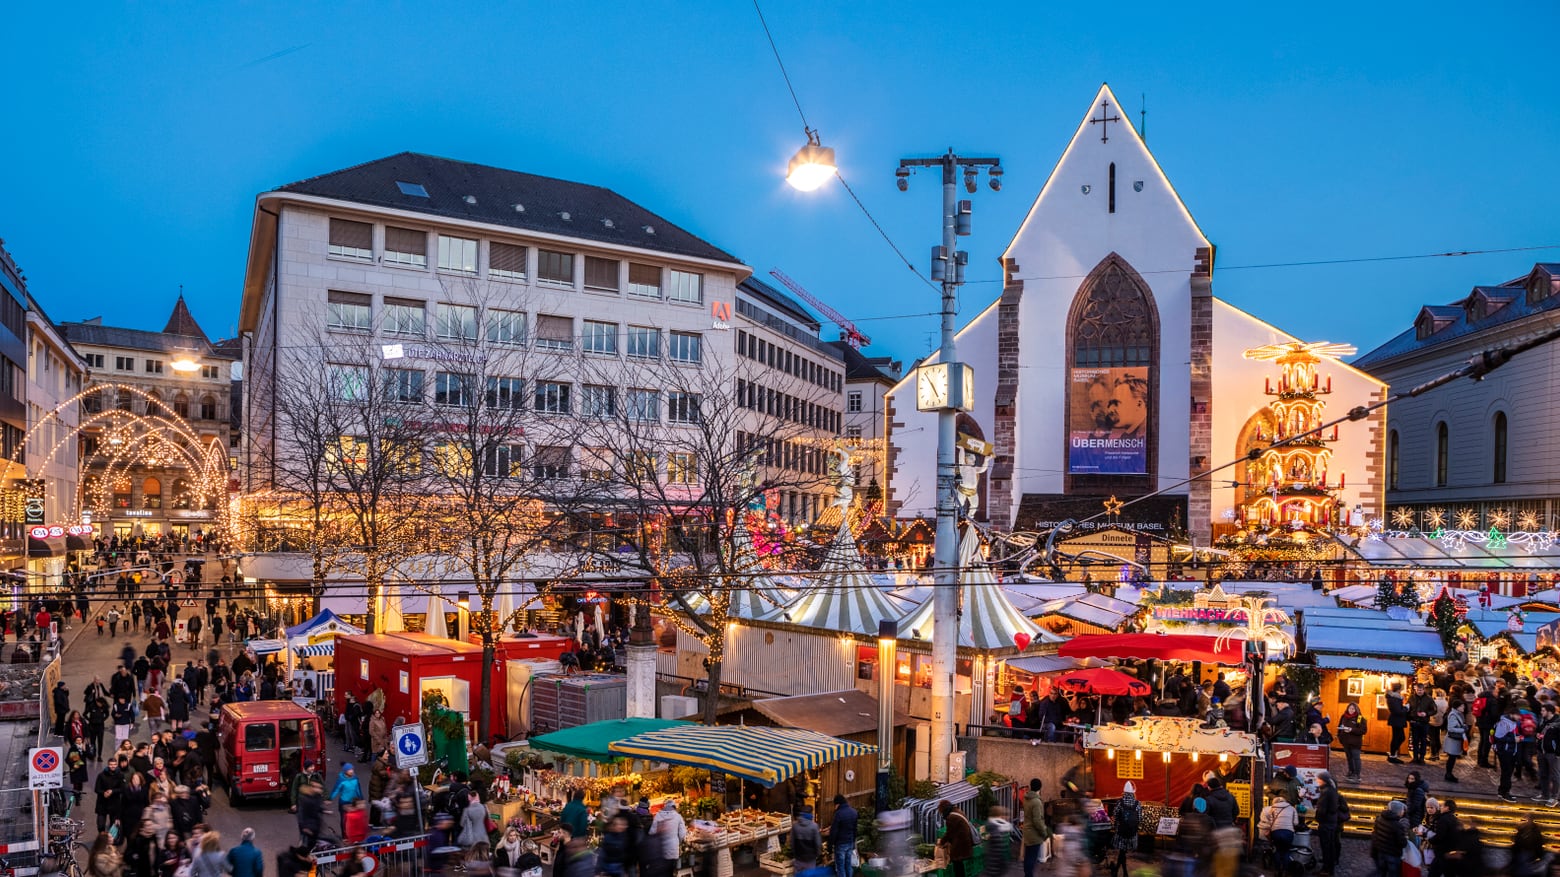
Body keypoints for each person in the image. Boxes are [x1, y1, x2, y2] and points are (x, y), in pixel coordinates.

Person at [1312, 771, 1346, 877]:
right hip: (1332, 822)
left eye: (1318, 779)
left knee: (1326, 847)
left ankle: (1326, 870)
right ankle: (1329, 868)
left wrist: (1317, 814)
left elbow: (1322, 810)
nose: (1317, 781)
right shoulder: (1332, 790)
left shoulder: (1326, 792)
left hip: (1326, 823)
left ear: (1323, 780)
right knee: (1330, 846)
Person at [1258, 791, 1297, 872]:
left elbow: (1272, 822)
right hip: (1288, 833)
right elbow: (1296, 823)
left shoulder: (1272, 808)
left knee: (1277, 850)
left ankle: (1277, 870)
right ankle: (1286, 870)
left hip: (1276, 832)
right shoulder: (1292, 808)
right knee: (1286, 851)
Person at [1020, 778, 1050, 877]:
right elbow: (1037, 821)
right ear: (1040, 788)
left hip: (1027, 831)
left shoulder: (1026, 798)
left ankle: (1027, 874)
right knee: (1032, 858)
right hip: (1034, 834)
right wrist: (1044, 833)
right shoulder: (1036, 801)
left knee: (1028, 856)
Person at [1369, 800, 1408, 877]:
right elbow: (1402, 843)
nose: (1403, 812)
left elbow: (1375, 834)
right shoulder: (1397, 825)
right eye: (1402, 810)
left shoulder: (1380, 819)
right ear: (1398, 811)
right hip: (1393, 855)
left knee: (1381, 872)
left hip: (1381, 852)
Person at [936, 800, 974, 877]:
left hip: (960, 844)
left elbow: (949, 833)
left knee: (957, 864)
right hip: (965, 841)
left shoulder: (951, 817)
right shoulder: (957, 811)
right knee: (959, 864)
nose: (941, 814)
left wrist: (941, 842)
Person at [649, 799, 685, 873]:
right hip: (673, 848)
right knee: (671, 870)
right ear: (674, 807)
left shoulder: (658, 816)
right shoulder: (678, 816)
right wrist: (679, 842)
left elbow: (652, 832)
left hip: (660, 849)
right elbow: (682, 833)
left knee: (662, 871)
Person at [1495, 704, 1522, 801]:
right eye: (1518, 715)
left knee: (1508, 772)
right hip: (1505, 752)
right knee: (1507, 772)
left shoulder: (1513, 723)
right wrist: (1513, 739)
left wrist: (1518, 737)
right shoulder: (1503, 723)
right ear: (1512, 714)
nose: (1519, 718)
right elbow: (1498, 737)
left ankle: (1502, 791)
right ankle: (1505, 793)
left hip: (1511, 751)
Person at [1337, 702, 1368, 782]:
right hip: (1346, 742)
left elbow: (1363, 730)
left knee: (1356, 758)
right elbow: (1340, 726)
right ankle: (1351, 772)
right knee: (1349, 758)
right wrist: (1340, 736)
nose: (1351, 710)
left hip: (1355, 742)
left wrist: (1351, 730)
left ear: (1356, 709)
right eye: (1350, 708)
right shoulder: (1344, 716)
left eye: (1353, 709)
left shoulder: (1359, 718)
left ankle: (1357, 775)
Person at [830, 794, 859, 877]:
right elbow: (855, 829)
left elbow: (834, 831)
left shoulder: (838, 814)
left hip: (841, 844)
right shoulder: (854, 812)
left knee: (840, 867)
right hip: (850, 842)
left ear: (837, 804)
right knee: (848, 865)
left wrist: (830, 844)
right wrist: (853, 841)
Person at [1408, 682, 1436, 765]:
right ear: (1415, 690)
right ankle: (1415, 757)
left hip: (1424, 722)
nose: (1419, 691)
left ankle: (1422, 758)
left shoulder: (1429, 699)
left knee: (1423, 740)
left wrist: (1426, 713)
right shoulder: (1412, 698)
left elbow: (1434, 710)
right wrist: (1410, 717)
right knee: (1415, 740)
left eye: (1420, 690)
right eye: (1417, 690)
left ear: (1424, 690)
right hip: (1414, 721)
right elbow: (1409, 708)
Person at [982, 806, 1014, 877]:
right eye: (1002, 815)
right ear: (998, 816)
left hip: (992, 863)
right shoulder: (994, 827)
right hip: (994, 864)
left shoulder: (992, 826)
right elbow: (998, 848)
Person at [1442, 698, 1469, 783]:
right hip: (1452, 740)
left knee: (1452, 758)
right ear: (1457, 707)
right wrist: (1463, 729)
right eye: (1462, 706)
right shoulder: (1453, 715)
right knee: (1452, 758)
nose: (1463, 708)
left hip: (1455, 740)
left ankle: (1449, 774)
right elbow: (1451, 728)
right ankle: (1448, 774)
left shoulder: (1458, 714)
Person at [1386, 683, 1409, 764]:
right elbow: (1397, 711)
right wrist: (1406, 708)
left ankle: (1393, 754)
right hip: (1396, 720)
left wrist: (1404, 707)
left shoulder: (1394, 697)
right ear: (1398, 689)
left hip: (1397, 720)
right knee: (1398, 737)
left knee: (1399, 737)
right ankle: (1392, 755)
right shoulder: (1394, 698)